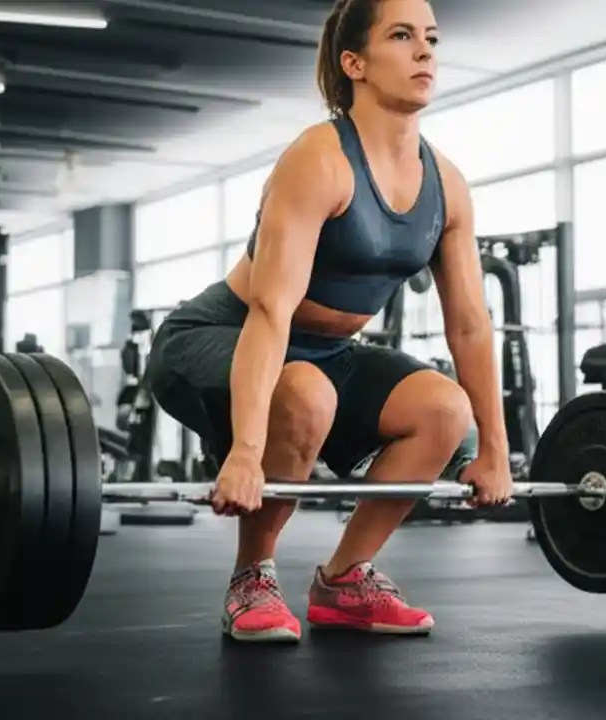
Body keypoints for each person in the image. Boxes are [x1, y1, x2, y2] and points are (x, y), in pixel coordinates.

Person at [146, 0, 512, 643]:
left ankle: (344, 579)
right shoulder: (318, 160)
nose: (426, 50)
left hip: (328, 351)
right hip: (217, 337)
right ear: (355, 63)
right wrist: (247, 453)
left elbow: (472, 327)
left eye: (431, 36)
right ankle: (250, 576)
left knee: (446, 411)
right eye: (401, 36)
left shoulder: (446, 184)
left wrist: (496, 453)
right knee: (307, 389)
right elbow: (269, 309)